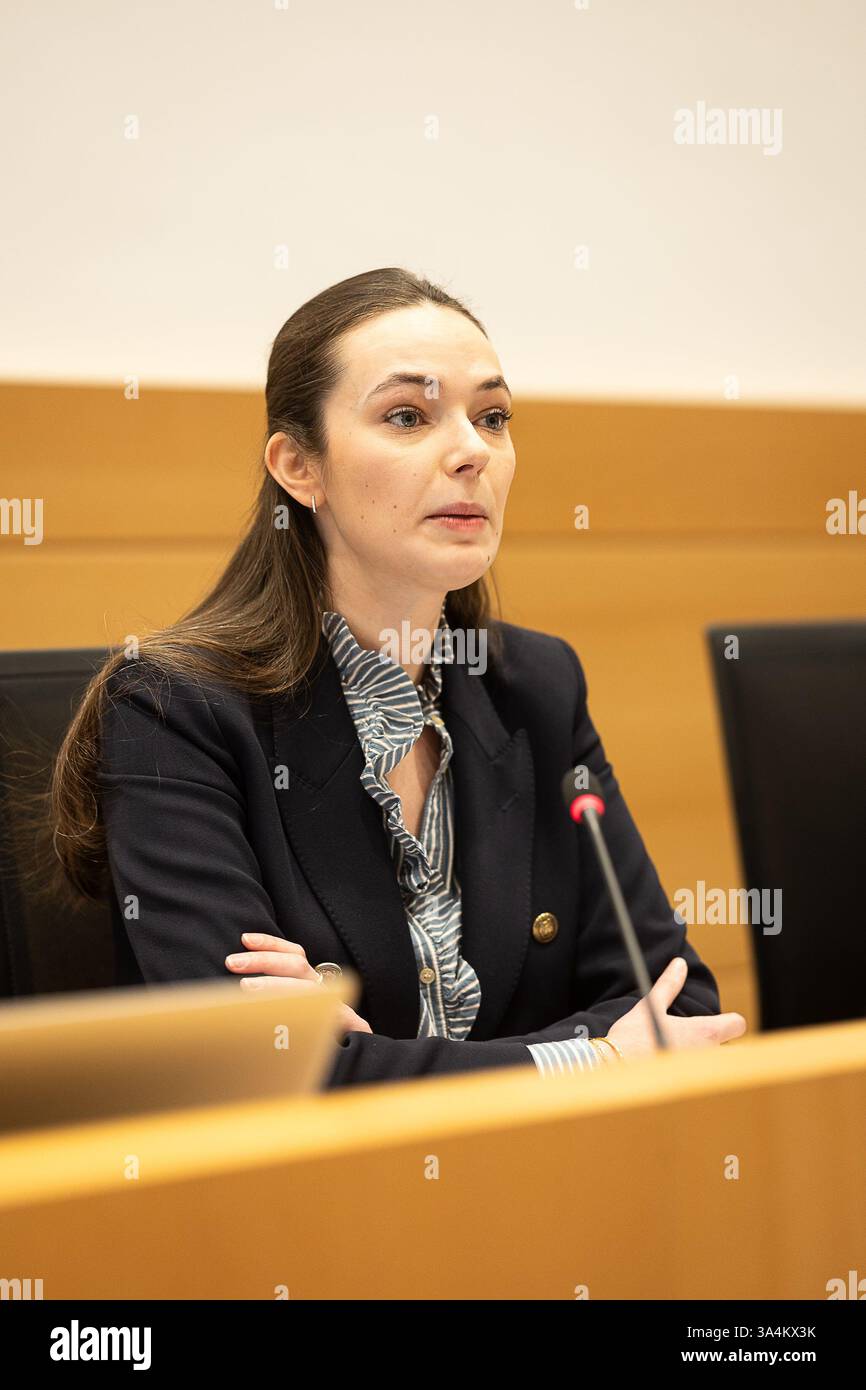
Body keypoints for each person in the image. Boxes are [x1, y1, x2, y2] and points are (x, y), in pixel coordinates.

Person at [49, 266, 746, 1088]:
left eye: (492, 417)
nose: (471, 452)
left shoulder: (537, 685)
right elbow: (267, 1069)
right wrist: (588, 1054)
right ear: (297, 467)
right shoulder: (173, 709)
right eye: (408, 416)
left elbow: (682, 1007)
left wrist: (368, 1052)